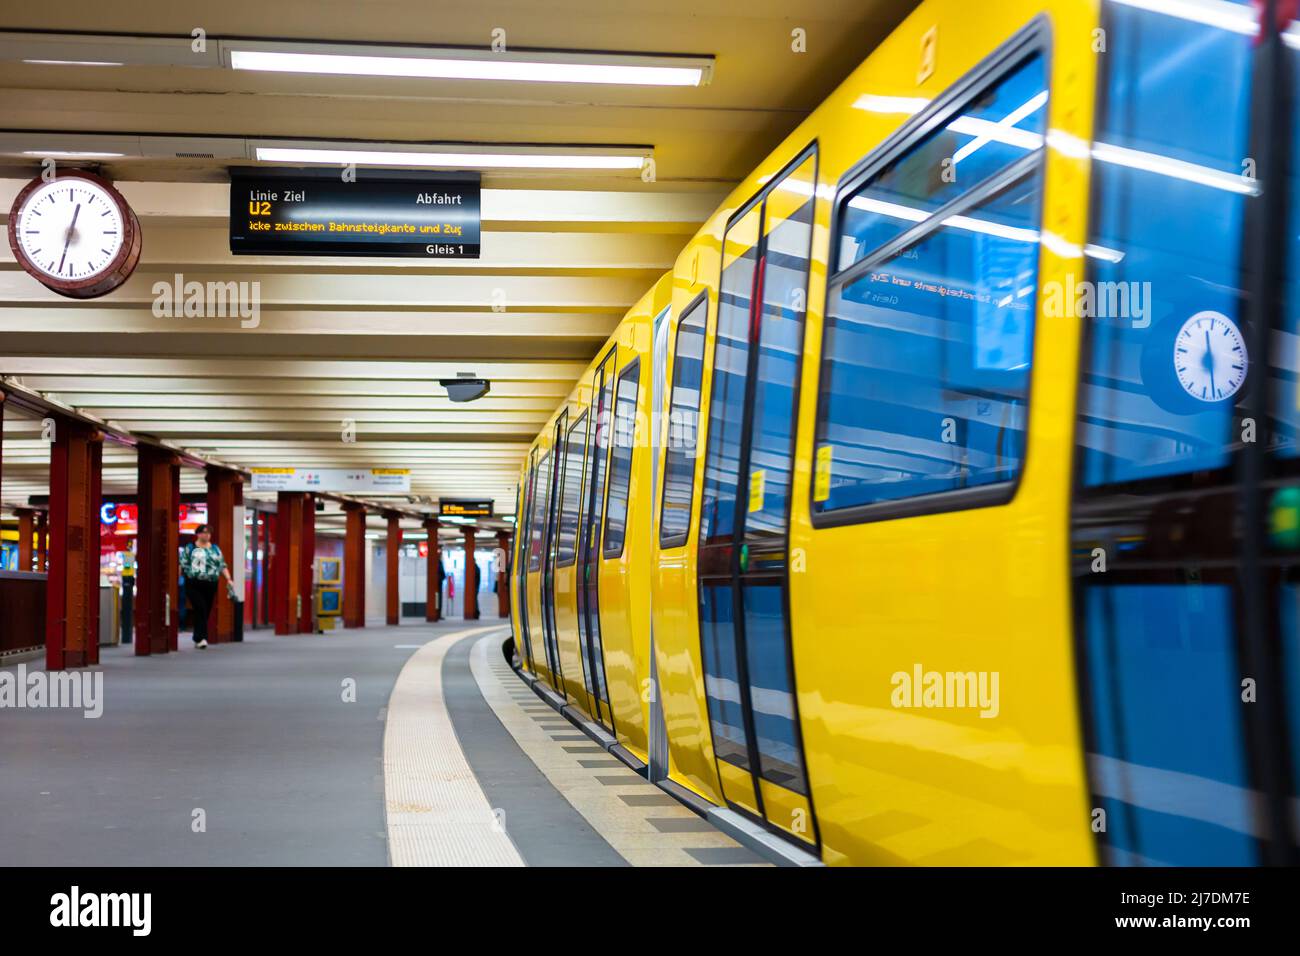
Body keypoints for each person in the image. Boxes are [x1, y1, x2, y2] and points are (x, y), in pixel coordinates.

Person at [180, 524, 234, 649]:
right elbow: (182, 563)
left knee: (206, 610)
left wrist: (229, 579)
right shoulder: (191, 547)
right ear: (198, 534)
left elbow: (222, 565)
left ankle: (198, 637)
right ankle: (201, 637)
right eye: (204, 532)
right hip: (193, 582)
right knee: (201, 607)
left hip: (210, 583)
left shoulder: (215, 549)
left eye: (209, 533)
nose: (207, 535)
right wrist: (177, 579)